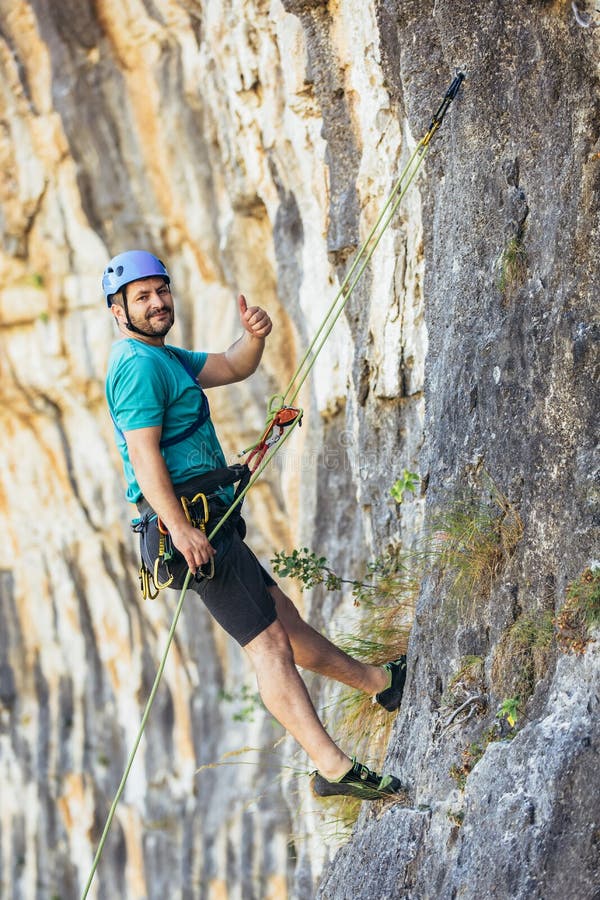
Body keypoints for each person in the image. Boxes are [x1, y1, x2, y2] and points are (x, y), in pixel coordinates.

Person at [103, 250, 407, 800]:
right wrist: (180, 529)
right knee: (268, 645)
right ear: (117, 310)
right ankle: (332, 768)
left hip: (209, 522)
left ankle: (380, 684)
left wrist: (256, 336)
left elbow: (234, 364)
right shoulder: (136, 366)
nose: (156, 303)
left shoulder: (165, 357)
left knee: (283, 622)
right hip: (192, 531)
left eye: (160, 291)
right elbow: (144, 456)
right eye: (141, 296)